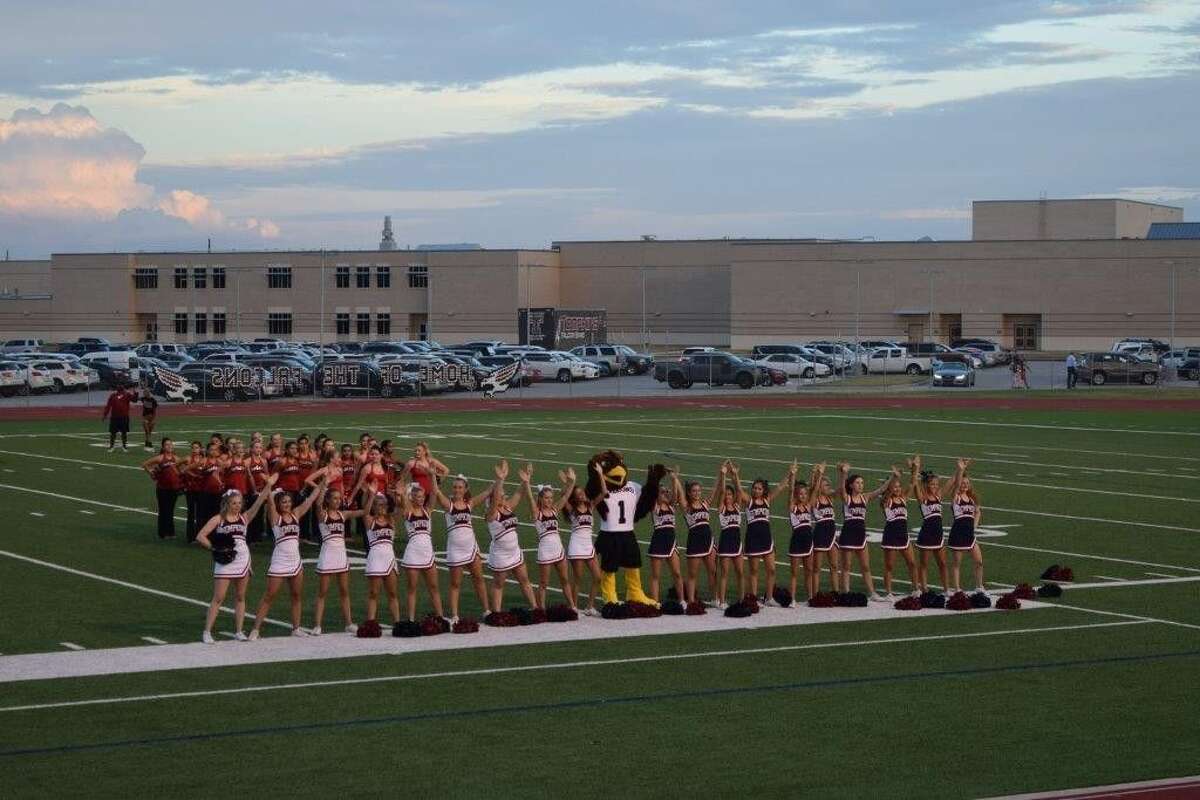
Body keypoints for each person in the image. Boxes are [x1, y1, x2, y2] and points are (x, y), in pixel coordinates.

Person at [248, 472, 328, 640]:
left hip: (295, 562)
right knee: (269, 596)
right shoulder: (275, 517)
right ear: (279, 504)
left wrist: (322, 484)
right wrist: (269, 484)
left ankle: (296, 628)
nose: (287, 504)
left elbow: (311, 500)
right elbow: (268, 500)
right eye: (283, 502)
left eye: (289, 501)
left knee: (297, 596)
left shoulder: (296, 514)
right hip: (279, 562)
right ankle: (255, 629)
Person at [195, 479, 276, 643]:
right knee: (219, 597)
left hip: (242, 560)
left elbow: (260, 501)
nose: (237, 506)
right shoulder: (218, 519)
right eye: (234, 503)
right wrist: (215, 548)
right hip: (224, 561)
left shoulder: (244, 518)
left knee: (240, 596)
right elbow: (200, 536)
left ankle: (239, 631)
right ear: (227, 503)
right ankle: (207, 632)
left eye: (239, 503)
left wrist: (269, 485)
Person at [432, 474, 494, 622]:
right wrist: (432, 475)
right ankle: (454, 615)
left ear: (466, 489)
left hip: (471, 547)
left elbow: (488, 492)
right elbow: (436, 491)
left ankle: (487, 610)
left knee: (479, 579)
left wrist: (498, 479)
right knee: (455, 584)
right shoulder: (448, 505)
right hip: (455, 550)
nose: (457, 490)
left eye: (460, 487)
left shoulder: (469, 504)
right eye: (455, 487)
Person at [312, 481, 368, 635]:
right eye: (335, 498)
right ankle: (317, 625)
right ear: (328, 500)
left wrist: (370, 494)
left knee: (344, 591)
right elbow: (317, 505)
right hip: (327, 555)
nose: (338, 501)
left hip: (341, 556)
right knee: (323, 592)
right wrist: (324, 485)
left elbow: (365, 511)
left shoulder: (344, 515)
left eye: (339, 498)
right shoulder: (323, 515)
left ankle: (348, 623)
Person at [485, 460, 539, 612]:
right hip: (501, 555)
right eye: (501, 495)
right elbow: (496, 498)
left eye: (503, 495)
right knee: (499, 584)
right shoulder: (491, 514)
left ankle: (535, 608)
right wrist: (500, 480)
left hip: (515, 552)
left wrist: (526, 480)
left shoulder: (507, 507)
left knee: (524, 580)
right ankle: (496, 613)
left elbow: (519, 493)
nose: (504, 497)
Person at [522, 466, 577, 610]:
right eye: (546, 498)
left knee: (565, 580)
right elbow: (529, 498)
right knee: (544, 583)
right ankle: (541, 609)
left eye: (551, 498)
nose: (549, 500)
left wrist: (571, 482)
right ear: (540, 498)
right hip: (545, 551)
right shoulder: (536, 513)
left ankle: (572, 606)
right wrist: (527, 482)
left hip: (558, 549)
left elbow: (565, 497)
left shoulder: (554, 510)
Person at [741, 462, 796, 604]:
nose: (756, 490)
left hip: (766, 539)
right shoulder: (749, 501)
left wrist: (790, 473)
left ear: (764, 490)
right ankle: (753, 598)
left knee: (771, 569)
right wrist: (734, 475)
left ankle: (769, 597)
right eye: (754, 487)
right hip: (753, 539)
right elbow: (739, 490)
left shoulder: (767, 500)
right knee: (754, 571)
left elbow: (781, 486)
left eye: (759, 488)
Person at [394, 476, 446, 623]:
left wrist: (433, 477)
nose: (421, 499)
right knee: (412, 588)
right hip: (413, 554)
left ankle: (440, 617)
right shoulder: (408, 511)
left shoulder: (428, 511)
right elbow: (404, 501)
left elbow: (434, 493)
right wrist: (402, 492)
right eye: (418, 496)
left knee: (434, 587)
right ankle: (410, 619)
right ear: (412, 498)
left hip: (427, 553)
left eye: (422, 496)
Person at [837, 462, 889, 600]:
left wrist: (893, 478)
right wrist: (844, 474)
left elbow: (881, 490)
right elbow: (842, 488)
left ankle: (872, 593)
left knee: (866, 566)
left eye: (862, 483)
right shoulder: (847, 498)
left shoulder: (865, 497)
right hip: (848, 534)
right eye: (858, 483)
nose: (861, 485)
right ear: (851, 485)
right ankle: (846, 593)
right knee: (847, 566)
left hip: (861, 535)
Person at [910, 454, 958, 594]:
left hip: (938, 535)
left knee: (943, 564)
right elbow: (914, 484)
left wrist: (960, 469)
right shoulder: (922, 499)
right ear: (926, 485)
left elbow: (951, 482)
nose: (935, 486)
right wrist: (915, 468)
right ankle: (924, 588)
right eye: (932, 484)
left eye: (937, 484)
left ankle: (946, 589)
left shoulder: (939, 496)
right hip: (927, 535)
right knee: (924, 564)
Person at [357, 482, 402, 626]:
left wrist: (400, 496)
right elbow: (365, 512)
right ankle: (371, 623)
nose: (382, 507)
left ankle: (397, 622)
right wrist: (371, 495)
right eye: (379, 505)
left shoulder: (391, 520)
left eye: (384, 505)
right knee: (374, 594)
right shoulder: (370, 520)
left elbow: (403, 509)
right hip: (375, 560)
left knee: (393, 594)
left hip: (390, 559)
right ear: (374, 507)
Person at [681, 465, 724, 606]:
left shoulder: (705, 503)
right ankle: (691, 601)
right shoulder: (687, 507)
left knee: (713, 571)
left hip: (708, 540)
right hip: (694, 542)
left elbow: (716, 490)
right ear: (689, 492)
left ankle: (715, 599)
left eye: (699, 490)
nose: (697, 493)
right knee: (693, 574)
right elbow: (680, 496)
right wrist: (675, 479)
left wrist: (720, 473)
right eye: (694, 491)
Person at [563, 478, 605, 616]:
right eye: (578, 494)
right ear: (574, 497)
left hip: (588, 546)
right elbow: (563, 497)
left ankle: (589, 607)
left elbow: (604, 492)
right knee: (578, 578)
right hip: (576, 547)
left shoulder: (590, 506)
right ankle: (574, 607)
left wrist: (599, 474)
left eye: (582, 493)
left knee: (598, 577)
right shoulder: (572, 509)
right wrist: (569, 484)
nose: (582, 495)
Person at [646, 468, 686, 605]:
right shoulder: (654, 507)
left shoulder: (671, 507)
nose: (665, 493)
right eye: (662, 492)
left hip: (671, 542)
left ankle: (681, 600)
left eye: (666, 491)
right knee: (656, 575)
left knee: (677, 573)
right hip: (658, 541)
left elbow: (675, 496)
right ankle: (655, 602)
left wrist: (674, 479)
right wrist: (654, 477)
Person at [878, 466, 918, 598]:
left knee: (912, 563)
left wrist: (915, 469)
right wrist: (893, 477)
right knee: (889, 566)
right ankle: (889, 592)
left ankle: (916, 588)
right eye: (894, 487)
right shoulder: (885, 501)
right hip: (891, 537)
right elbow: (887, 493)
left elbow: (912, 484)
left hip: (903, 536)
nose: (897, 489)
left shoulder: (903, 499)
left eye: (899, 486)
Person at [948, 458, 985, 594]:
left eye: (967, 483)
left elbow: (978, 512)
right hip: (958, 533)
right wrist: (961, 470)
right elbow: (956, 486)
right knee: (957, 563)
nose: (964, 485)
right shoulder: (955, 498)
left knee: (979, 561)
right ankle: (957, 589)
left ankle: (979, 586)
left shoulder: (972, 499)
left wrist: (974, 527)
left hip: (970, 534)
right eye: (963, 483)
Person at [715, 461, 746, 609]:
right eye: (726, 494)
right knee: (725, 573)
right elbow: (721, 492)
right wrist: (723, 474)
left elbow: (740, 491)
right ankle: (722, 601)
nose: (727, 496)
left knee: (740, 572)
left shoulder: (737, 506)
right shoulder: (721, 508)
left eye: (730, 494)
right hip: (725, 542)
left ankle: (742, 598)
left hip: (737, 542)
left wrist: (736, 475)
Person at [786, 463, 818, 602]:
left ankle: (810, 596)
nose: (803, 496)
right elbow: (791, 490)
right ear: (796, 495)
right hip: (796, 542)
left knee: (809, 570)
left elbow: (815, 490)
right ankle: (792, 598)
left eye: (805, 494)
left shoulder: (809, 506)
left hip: (808, 541)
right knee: (794, 573)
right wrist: (793, 474)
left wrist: (819, 473)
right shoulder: (793, 507)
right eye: (800, 494)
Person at [809, 463, 841, 593]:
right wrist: (818, 474)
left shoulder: (830, 498)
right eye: (826, 485)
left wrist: (841, 473)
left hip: (831, 533)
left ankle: (836, 592)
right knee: (816, 568)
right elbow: (814, 489)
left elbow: (840, 490)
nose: (829, 487)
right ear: (819, 487)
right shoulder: (815, 500)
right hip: (820, 534)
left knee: (834, 566)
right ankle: (815, 595)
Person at [142, 437, 182, 539]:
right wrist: (151, 473)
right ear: (163, 447)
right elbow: (145, 464)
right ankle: (162, 533)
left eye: (170, 444)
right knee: (163, 510)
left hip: (174, 488)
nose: (169, 446)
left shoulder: (176, 458)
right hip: (162, 489)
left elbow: (183, 469)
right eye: (167, 445)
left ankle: (171, 532)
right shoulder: (160, 458)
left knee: (171, 510)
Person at [180, 441, 206, 542]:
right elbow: (177, 465)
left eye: (197, 448)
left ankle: (199, 535)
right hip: (190, 489)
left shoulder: (203, 459)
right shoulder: (188, 458)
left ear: (200, 449)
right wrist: (190, 474)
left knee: (200, 514)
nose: (195, 450)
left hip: (201, 489)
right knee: (191, 513)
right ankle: (190, 537)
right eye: (193, 448)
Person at [102, 384, 135, 452]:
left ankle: (124, 447)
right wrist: (105, 415)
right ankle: (112, 447)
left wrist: (135, 393)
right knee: (113, 433)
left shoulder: (127, 394)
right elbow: (108, 406)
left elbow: (134, 400)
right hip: (115, 417)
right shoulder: (113, 395)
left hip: (124, 417)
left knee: (124, 432)